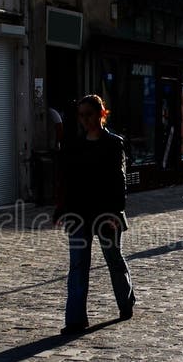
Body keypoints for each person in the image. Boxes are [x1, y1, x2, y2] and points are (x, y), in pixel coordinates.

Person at [54, 94, 135, 334]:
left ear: (101, 114)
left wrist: (114, 213)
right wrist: (62, 210)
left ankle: (126, 302)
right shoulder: (74, 146)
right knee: (78, 265)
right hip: (79, 214)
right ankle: (75, 320)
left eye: (89, 114)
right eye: (81, 115)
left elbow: (119, 182)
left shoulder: (113, 144)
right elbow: (66, 181)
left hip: (105, 214)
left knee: (114, 260)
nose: (85, 119)